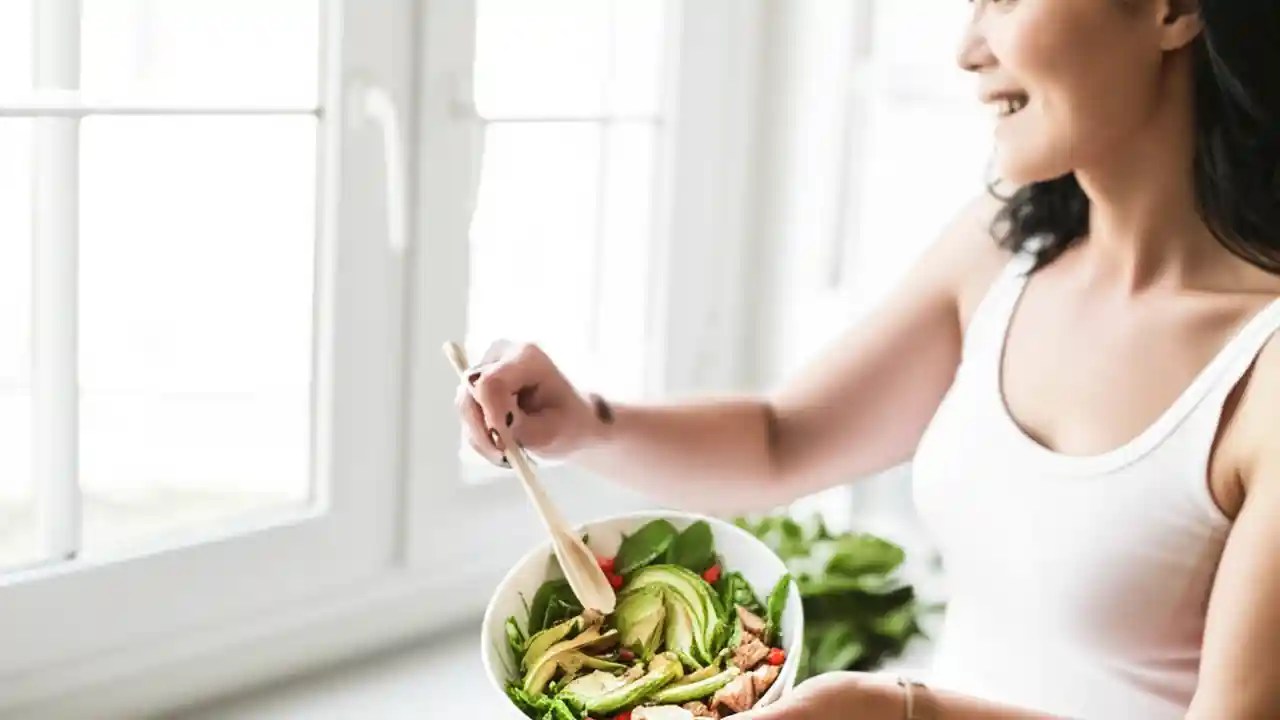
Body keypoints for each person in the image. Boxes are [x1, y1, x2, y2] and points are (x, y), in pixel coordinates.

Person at [456, 1, 1280, 717]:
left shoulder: (1263, 367)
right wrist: (584, 422)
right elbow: (784, 440)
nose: (967, 49)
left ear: (1174, 7)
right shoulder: (1006, 252)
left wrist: (906, 713)